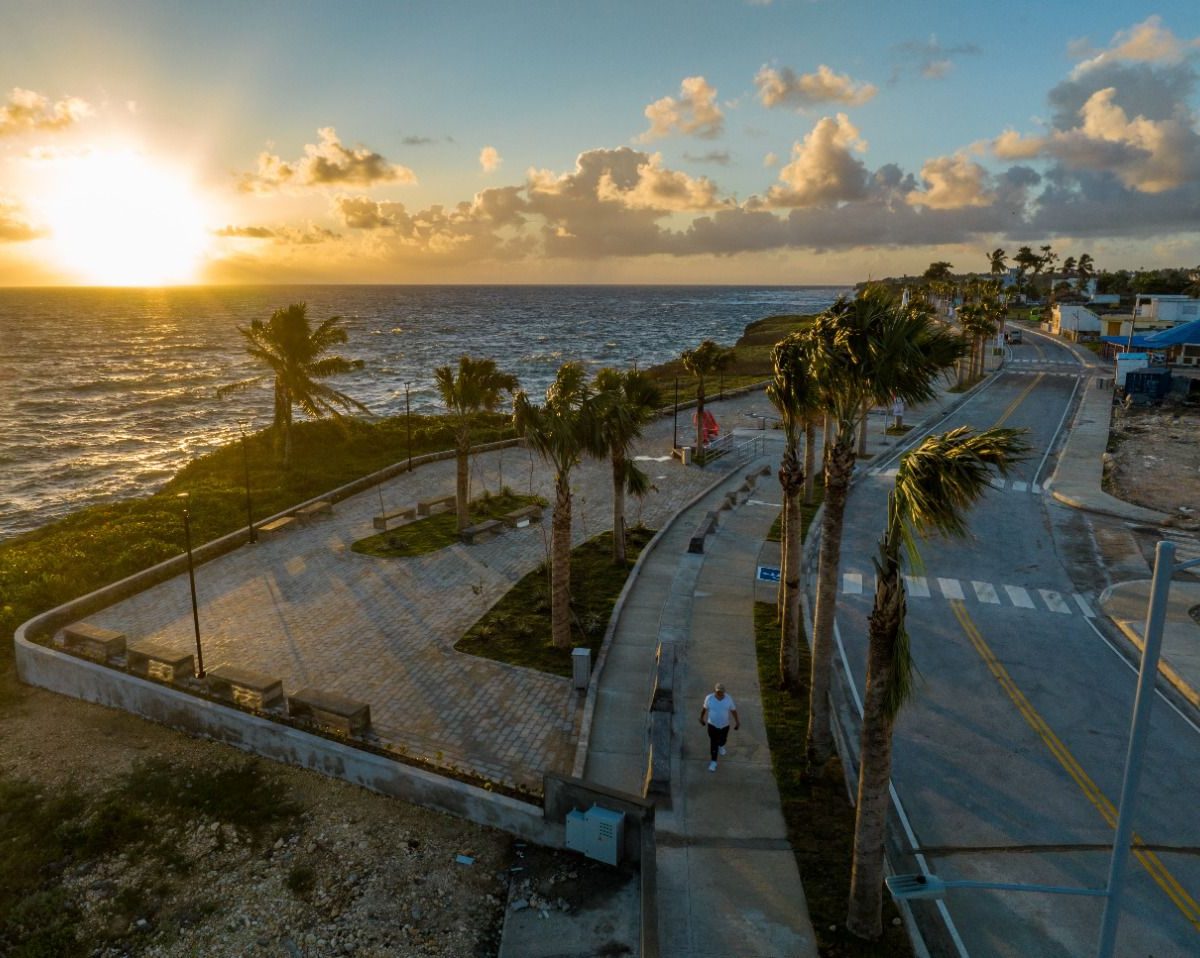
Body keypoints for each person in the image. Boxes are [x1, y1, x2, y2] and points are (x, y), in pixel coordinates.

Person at [699, 682, 739, 772]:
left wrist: (737, 722)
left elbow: (733, 710)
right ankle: (713, 762)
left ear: (724, 691)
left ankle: (721, 745)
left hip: (725, 725)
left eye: (721, 691)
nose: (719, 693)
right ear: (714, 691)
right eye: (718, 691)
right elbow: (704, 709)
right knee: (713, 743)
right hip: (712, 725)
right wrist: (701, 718)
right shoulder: (709, 698)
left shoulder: (728, 699)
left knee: (723, 740)